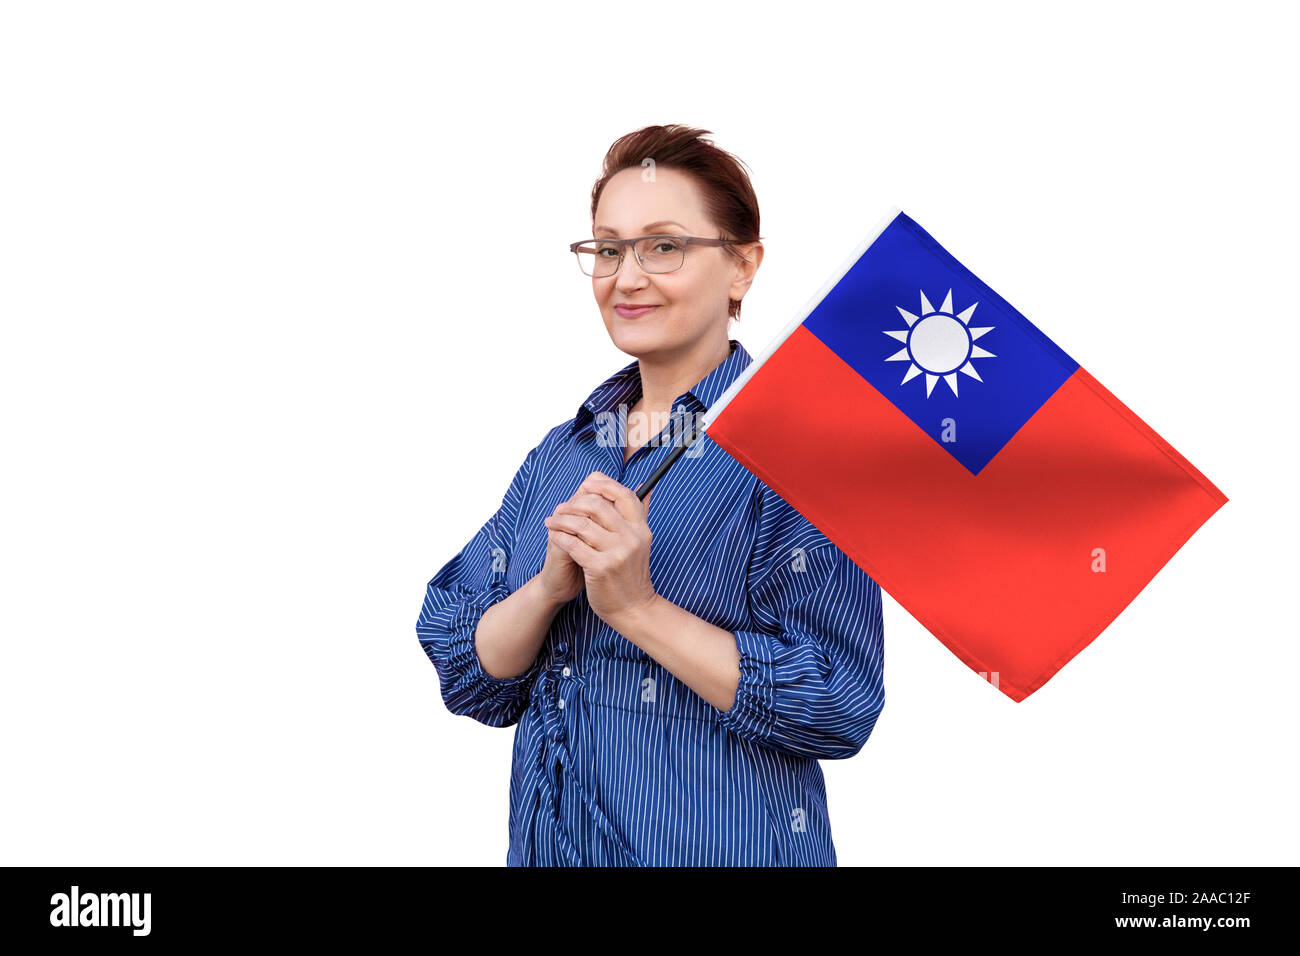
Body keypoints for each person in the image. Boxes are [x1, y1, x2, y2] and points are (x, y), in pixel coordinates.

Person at [416, 124, 885, 866]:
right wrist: (544, 592)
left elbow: (837, 703)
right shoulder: (563, 452)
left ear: (742, 267)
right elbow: (469, 671)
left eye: (663, 246)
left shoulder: (800, 457)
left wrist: (636, 607)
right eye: (607, 249)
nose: (626, 277)